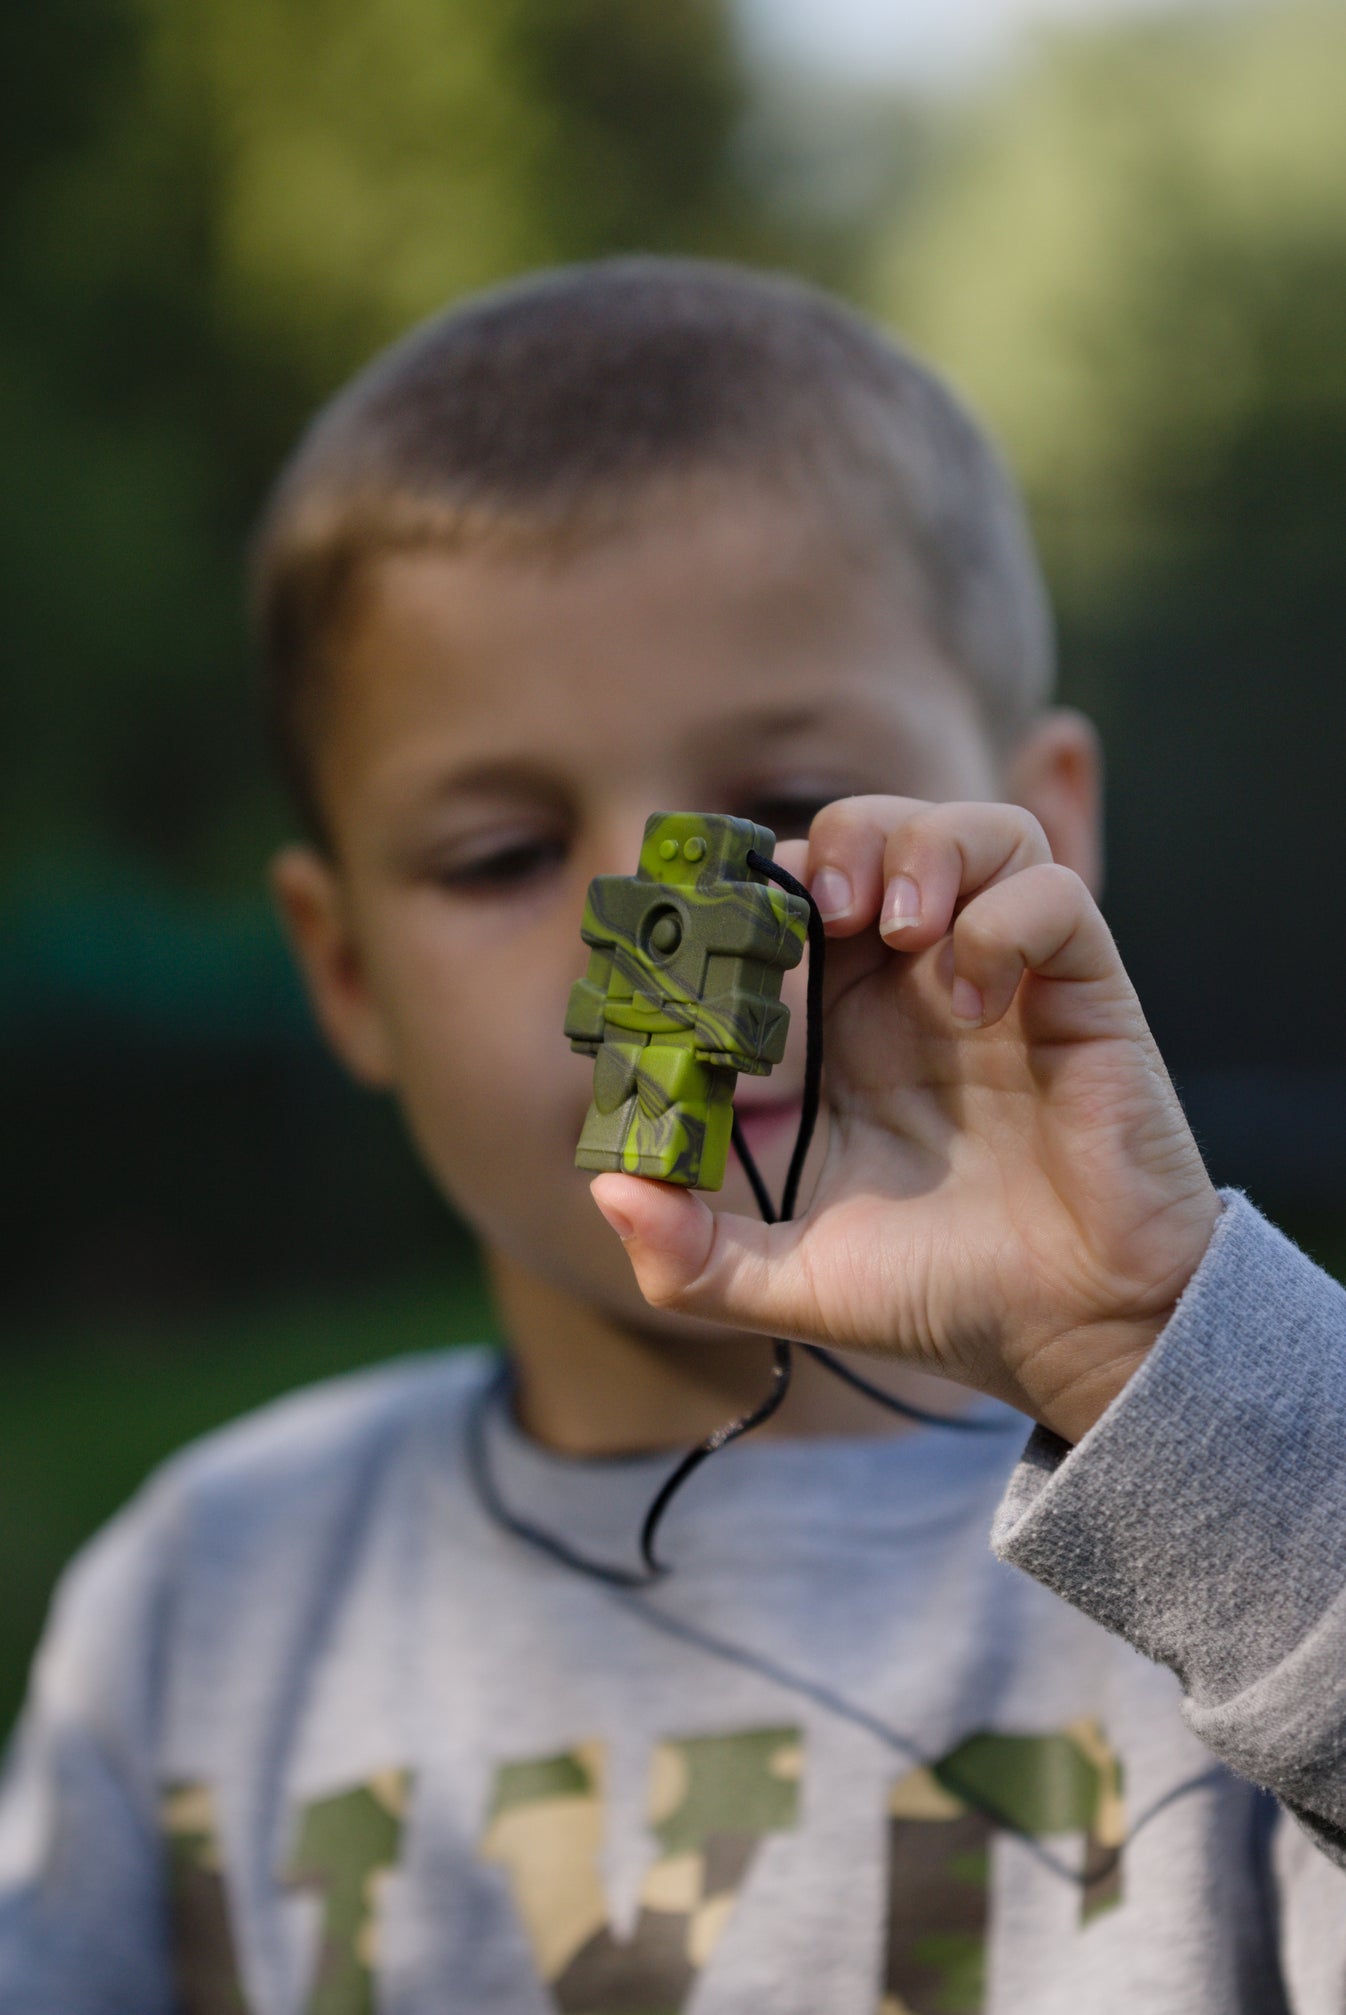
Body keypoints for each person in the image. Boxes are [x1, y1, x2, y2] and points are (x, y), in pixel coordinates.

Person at [2, 258, 1345, 2015]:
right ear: (342, 971)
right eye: (496, 856)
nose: (652, 940)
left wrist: (1147, 1348)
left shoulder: (1260, 1553)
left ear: (1044, 831)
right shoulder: (206, 1597)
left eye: (785, 817)